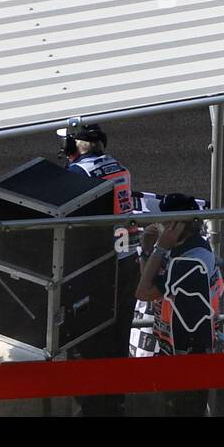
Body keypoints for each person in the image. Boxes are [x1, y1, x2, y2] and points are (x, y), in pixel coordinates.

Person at [60, 124, 137, 416]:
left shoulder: (80, 174)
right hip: (126, 261)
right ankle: (115, 404)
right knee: (118, 338)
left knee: (86, 340)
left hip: (98, 268)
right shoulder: (120, 167)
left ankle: (91, 408)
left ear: (73, 145)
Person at [135, 193, 224, 417]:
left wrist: (158, 248)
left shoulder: (190, 260)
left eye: (164, 220)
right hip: (175, 347)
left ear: (177, 225)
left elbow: (143, 292)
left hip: (188, 353)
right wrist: (148, 249)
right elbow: (149, 283)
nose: (158, 222)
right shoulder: (184, 247)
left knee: (185, 410)